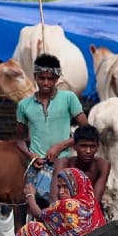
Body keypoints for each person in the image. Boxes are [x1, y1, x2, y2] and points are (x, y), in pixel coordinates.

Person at [15, 53, 87, 208]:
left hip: (63, 164)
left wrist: (61, 146)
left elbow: (86, 130)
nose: (46, 83)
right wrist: (31, 155)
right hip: (36, 168)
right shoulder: (23, 105)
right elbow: (19, 140)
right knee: (35, 208)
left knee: (62, 207)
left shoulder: (69, 98)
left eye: (50, 79)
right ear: (35, 76)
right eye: (42, 78)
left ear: (57, 79)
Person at [16, 168, 107, 236]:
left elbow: (39, 215)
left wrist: (30, 196)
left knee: (30, 229)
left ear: (76, 186)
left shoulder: (68, 205)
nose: (61, 192)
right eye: (59, 187)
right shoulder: (91, 203)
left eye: (65, 186)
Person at [51, 124, 110, 211]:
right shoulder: (64, 163)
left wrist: (82, 217)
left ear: (97, 147)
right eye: (83, 146)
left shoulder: (102, 165)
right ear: (74, 146)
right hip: (64, 209)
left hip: (91, 210)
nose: (88, 151)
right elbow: (54, 196)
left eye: (92, 146)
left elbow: (96, 199)